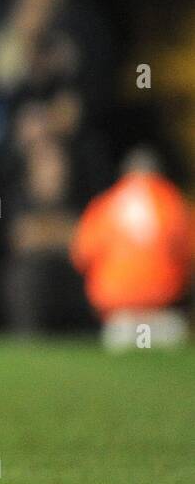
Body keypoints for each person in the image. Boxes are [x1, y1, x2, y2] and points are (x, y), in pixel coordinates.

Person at [71, 149, 192, 351]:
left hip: (121, 319)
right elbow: (188, 254)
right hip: (163, 317)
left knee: (125, 350)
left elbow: (81, 256)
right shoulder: (173, 201)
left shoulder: (105, 203)